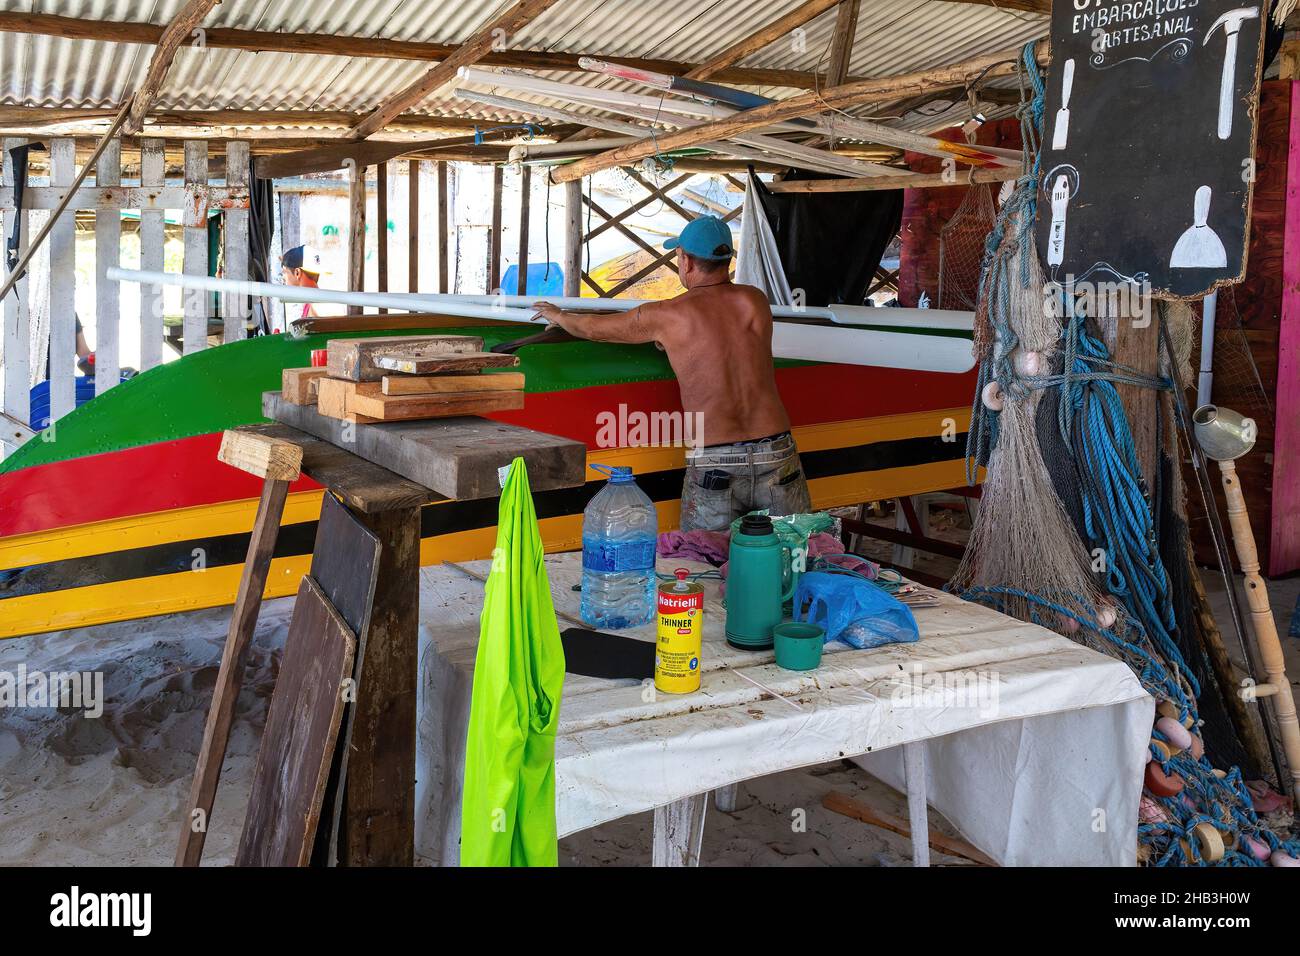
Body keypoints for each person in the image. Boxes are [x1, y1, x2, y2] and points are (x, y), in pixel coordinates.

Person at [532, 215, 811, 532]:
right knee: (792, 552)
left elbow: (594, 329)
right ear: (726, 259)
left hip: (714, 459)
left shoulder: (667, 315)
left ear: (687, 261)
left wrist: (557, 313)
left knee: (701, 563)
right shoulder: (755, 301)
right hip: (776, 450)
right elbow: (725, 338)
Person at [280, 244, 324, 319]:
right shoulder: (311, 303)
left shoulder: (317, 308)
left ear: (297, 273)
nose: (283, 279)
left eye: (284, 272)